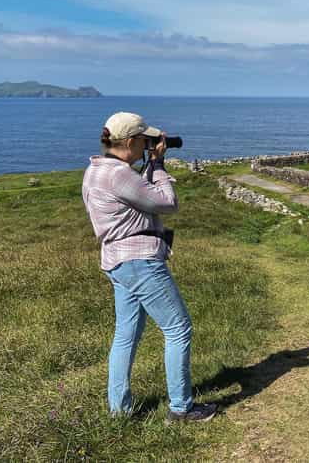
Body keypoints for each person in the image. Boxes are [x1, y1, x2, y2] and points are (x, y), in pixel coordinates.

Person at [82, 112, 216, 423]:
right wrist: (158, 164)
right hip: (139, 261)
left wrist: (150, 163)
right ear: (130, 142)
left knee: (126, 334)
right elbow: (167, 203)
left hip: (117, 261)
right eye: (144, 140)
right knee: (178, 328)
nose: (147, 145)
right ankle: (181, 409)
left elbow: (137, 195)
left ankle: (119, 411)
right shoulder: (119, 175)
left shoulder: (96, 170)